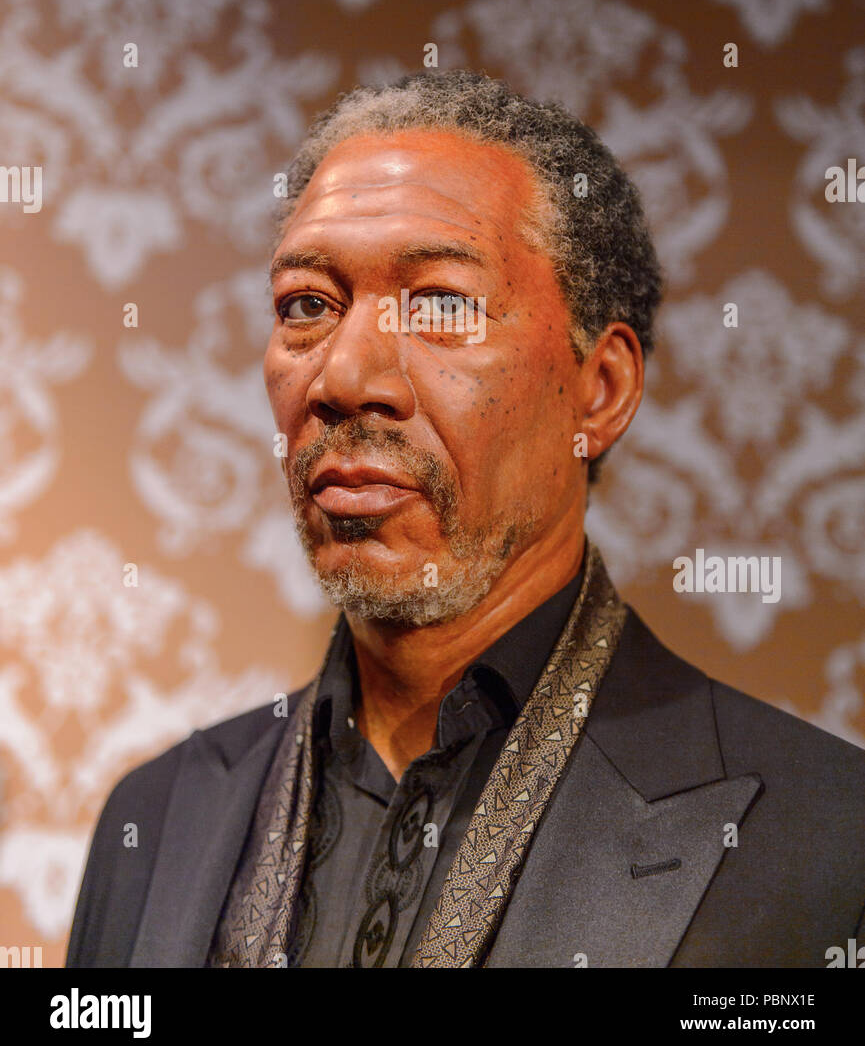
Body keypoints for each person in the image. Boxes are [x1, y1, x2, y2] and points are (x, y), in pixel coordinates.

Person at [67, 71, 865, 969]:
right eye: (307, 306)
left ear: (600, 390)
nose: (343, 378)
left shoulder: (827, 844)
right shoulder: (154, 822)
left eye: (441, 306)